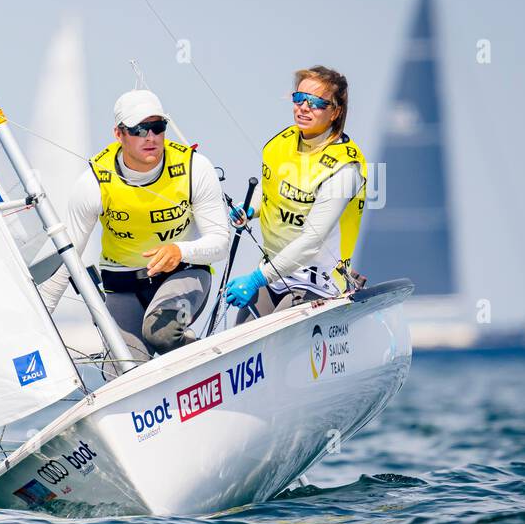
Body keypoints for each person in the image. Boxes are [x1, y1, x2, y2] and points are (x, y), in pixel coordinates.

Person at [41, 89, 230, 367]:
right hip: (123, 287)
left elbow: (220, 241)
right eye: (139, 129)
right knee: (121, 369)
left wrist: (180, 250)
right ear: (119, 134)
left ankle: (211, 364)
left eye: (157, 127)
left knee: (162, 332)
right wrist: (39, 321)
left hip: (182, 274)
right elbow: (66, 258)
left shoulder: (195, 168)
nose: (151, 137)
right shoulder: (92, 184)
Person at [225, 66, 368, 319]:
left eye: (315, 103)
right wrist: (251, 208)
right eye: (299, 98)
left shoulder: (345, 168)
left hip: (317, 283)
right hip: (273, 276)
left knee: (270, 338)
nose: (303, 107)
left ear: (335, 111)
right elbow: (270, 185)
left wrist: (257, 279)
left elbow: (311, 242)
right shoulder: (281, 143)